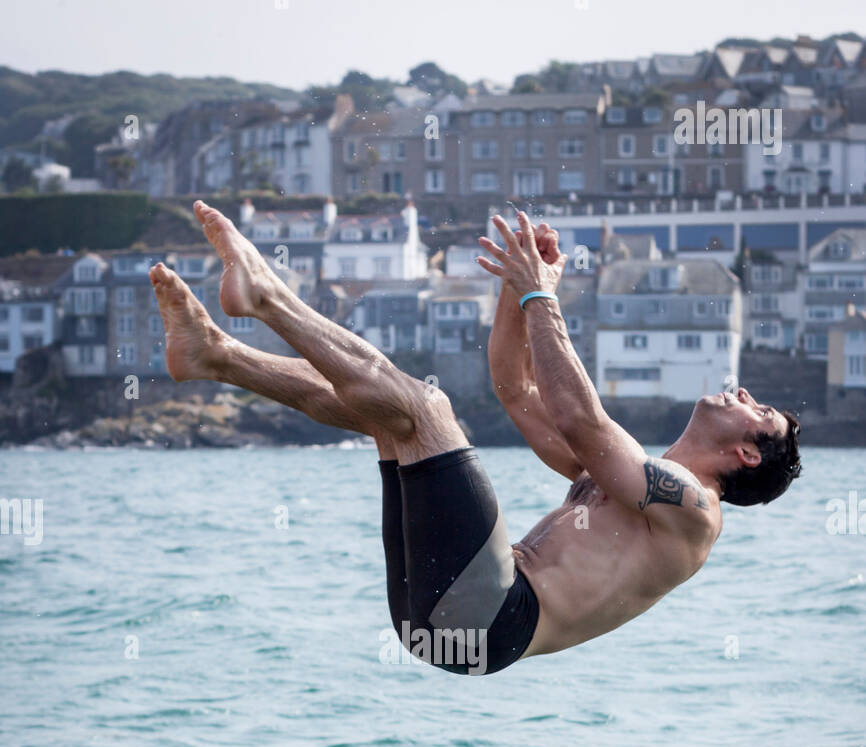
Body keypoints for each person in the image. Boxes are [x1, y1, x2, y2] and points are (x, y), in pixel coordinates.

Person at [149, 203, 801, 676]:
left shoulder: (693, 515)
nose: (745, 394)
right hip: (443, 618)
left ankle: (265, 297)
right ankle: (216, 356)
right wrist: (515, 291)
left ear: (747, 454)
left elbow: (581, 418)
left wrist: (542, 297)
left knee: (425, 406)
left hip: (490, 618)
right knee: (393, 419)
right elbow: (514, 389)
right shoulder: (624, 477)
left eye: (760, 411)